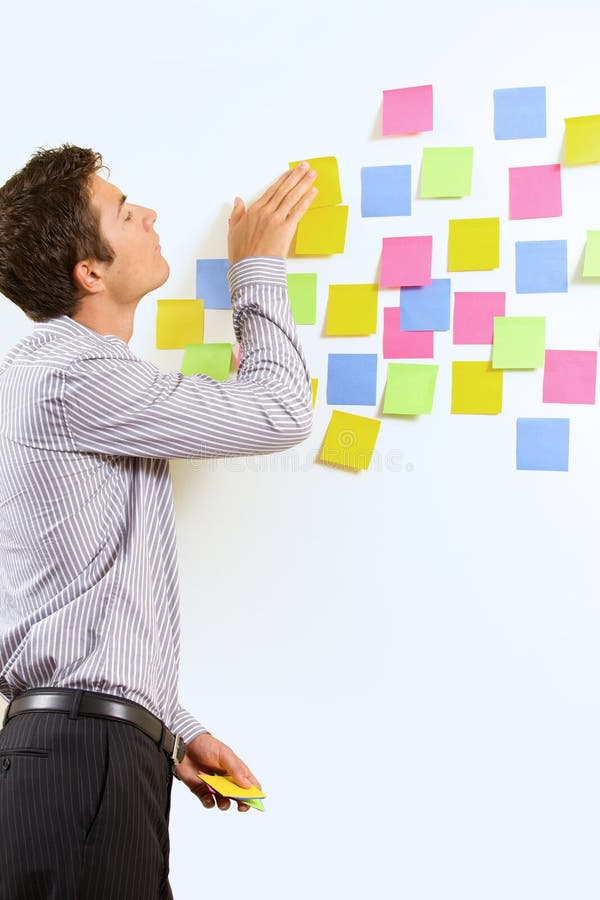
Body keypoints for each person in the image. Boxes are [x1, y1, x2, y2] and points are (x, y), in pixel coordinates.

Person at [0, 145, 317, 899]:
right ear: (92, 272)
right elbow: (281, 409)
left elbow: (74, 598)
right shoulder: (74, 376)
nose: (148, 214)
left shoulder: (51, 377)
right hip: (84, 762)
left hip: (84, 754)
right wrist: (258, 269)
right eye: (123, 209)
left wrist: (167, 725)